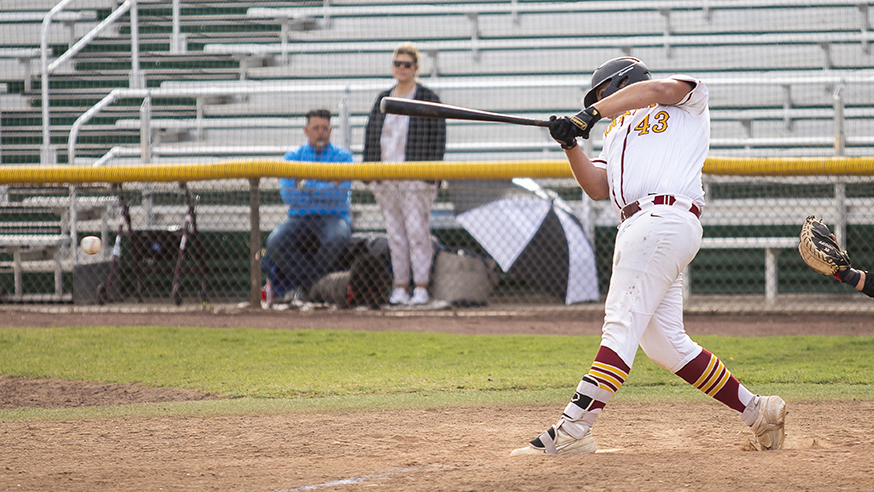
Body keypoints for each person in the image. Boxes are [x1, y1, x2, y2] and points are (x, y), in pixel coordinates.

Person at [511, 57, 787, 456]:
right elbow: (596, 186)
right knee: (665, 345)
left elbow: (656, 90)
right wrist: (570, 144)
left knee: (620, 324)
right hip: (642, 228)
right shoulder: (616, 132)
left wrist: (589, 114)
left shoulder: (681, 101)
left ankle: (574, 428)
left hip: (662, 217)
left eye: (604, 94)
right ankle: (757, 411)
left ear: (625, 82)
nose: (604, 104)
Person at [362, 42, 447, 305]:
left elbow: (438, 139)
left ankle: (420, 286)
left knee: (417, 231)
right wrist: (370, 170)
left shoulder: (428, 97)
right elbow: (372, 135)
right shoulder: (383, 97)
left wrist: (430, 174)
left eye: (407, 64)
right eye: (397, 63)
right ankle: (400, 285)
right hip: (387, 178)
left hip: (416, 178)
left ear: (416, 68)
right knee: (395, 233)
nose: (401, 68)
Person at [261, 108, 354, 305]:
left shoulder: (344, 158)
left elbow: (339, 195)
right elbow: (289, 196)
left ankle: (306, 290)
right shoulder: (292, 157)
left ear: (330, 130)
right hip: (300, 218)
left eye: (325, 128)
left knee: (336, 237)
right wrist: (326, 185)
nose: (320, 132)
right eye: (316, 128)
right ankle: (315, 289)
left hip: (334, 217)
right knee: (275, 242)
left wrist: (305, 185)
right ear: (306, 130)